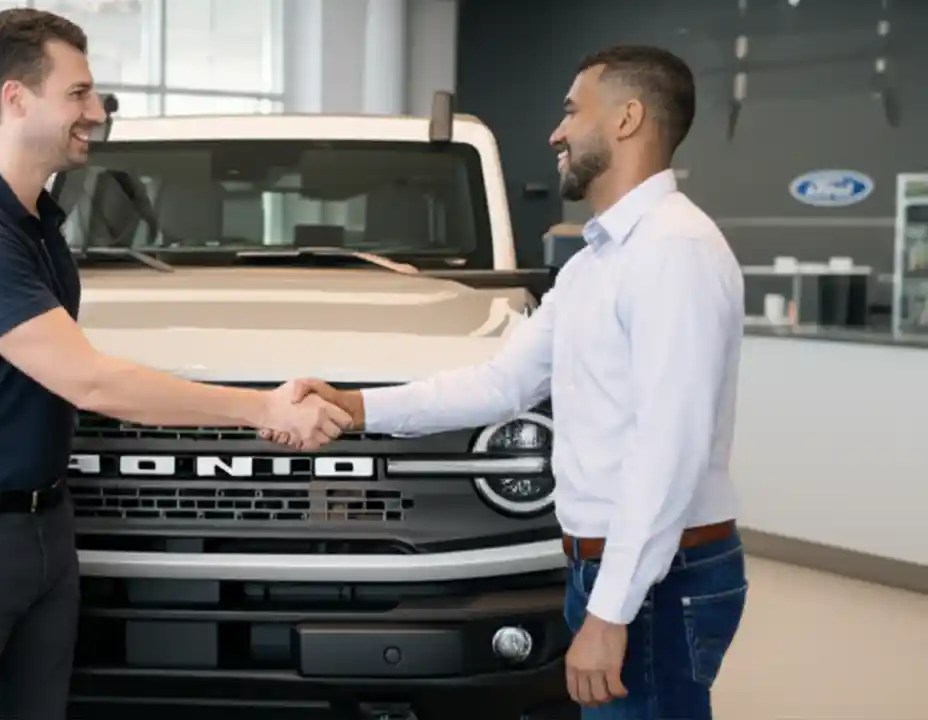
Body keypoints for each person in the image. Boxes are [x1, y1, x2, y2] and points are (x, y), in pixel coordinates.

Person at [0, 9, 351, 720]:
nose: (96, 113)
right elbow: (89, 379)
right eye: (79, 94)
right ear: (16, 99)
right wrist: (261, 408)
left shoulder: (37, 225)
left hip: (43, 522)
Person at [264, 45, 747, 719]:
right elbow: (499, 383)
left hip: (657, 579)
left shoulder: (675, 252)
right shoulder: (595, 265)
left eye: (572, 110)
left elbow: (668, 451)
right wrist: (355, 404)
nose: (555, 132)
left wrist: (611, 614)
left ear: (628, 118)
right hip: (607, 568)